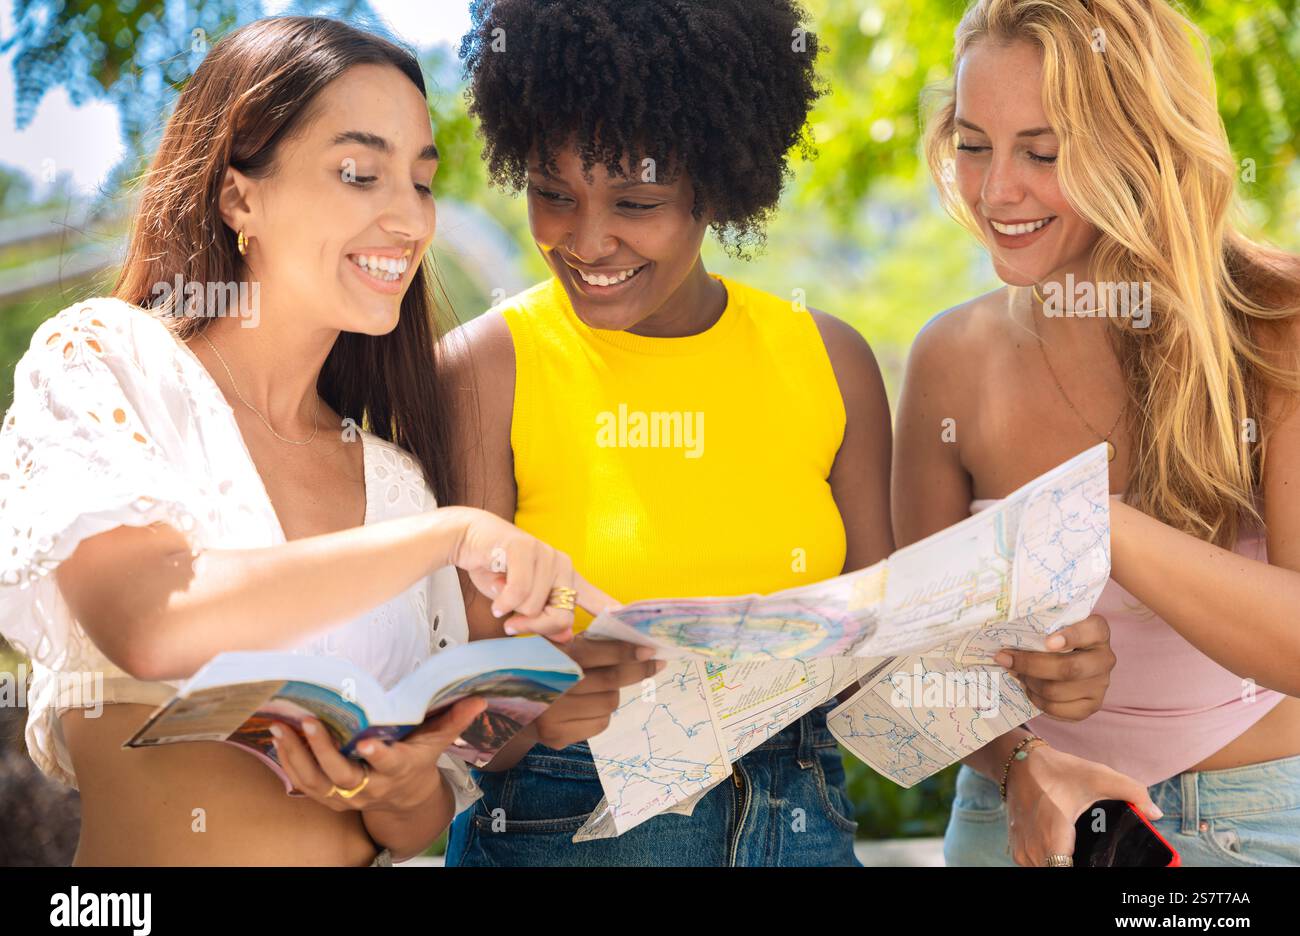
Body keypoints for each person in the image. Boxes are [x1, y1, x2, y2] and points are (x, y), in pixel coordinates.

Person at [442, 0, 1115, 866]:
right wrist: (543, 709)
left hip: (799, 817)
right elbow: (453, 711)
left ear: (717, 187)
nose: (588, 239)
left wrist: (1029, 708)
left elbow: (883, 660)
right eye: (551, 195)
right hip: (570, 823)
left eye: (637, 202)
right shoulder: (484, 366)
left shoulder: (828, 359)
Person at [0, 16, 627, 866]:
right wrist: (449, 536)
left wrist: (401, 787)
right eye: (360, 173)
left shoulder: (395, 481)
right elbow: (152, 622)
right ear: (238, 195)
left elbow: (421, 827)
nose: (408, 220)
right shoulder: (108, 364)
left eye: (422, 182)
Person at [898, 0, 1300, 866]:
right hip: (1023, 822)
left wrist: (1093, 523)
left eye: (1043, 152)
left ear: (1144, 149)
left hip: (1258, 824)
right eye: (973, 145)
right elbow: (918, 672)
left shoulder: (1279, 327)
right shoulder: (950, 359)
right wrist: (1022, 755)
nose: (996, 189)